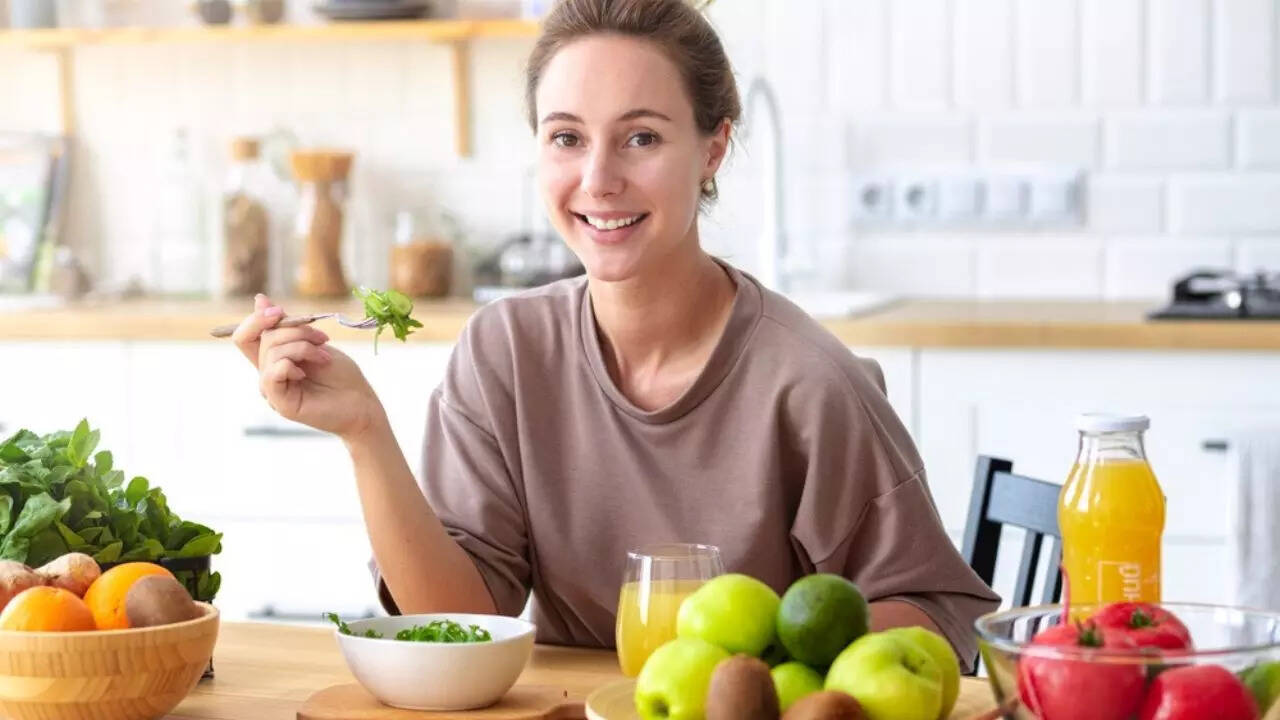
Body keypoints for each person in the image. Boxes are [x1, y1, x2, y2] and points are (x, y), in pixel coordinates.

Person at [229, 0, 999, 668]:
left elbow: (939, 613)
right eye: (567, 138)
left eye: (641, 139)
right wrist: (365, 433)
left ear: (713, 150)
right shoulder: (506, 353)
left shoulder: (806, 384)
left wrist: (756, 677)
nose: (598, 179)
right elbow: (459, 626)